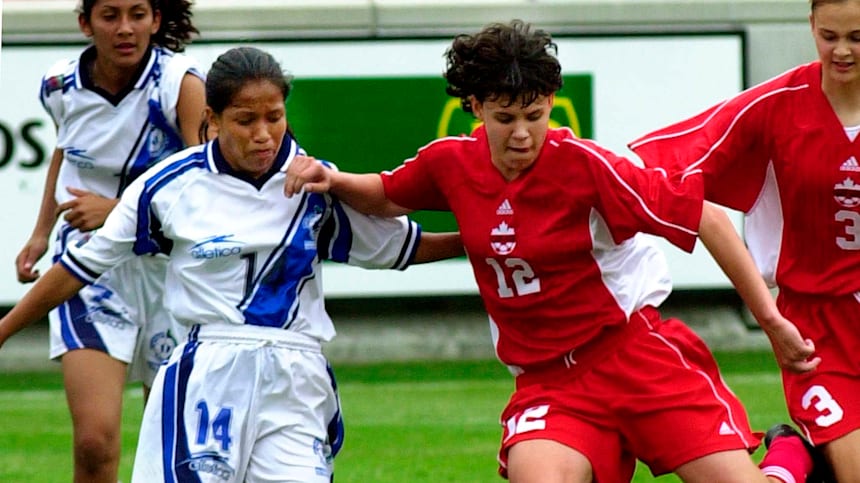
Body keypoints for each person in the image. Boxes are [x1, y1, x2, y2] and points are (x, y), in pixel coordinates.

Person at [284, 19, 823, 483]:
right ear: (475, 107)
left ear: (551, 103)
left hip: (634, 357)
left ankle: (789, 456)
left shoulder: (588, 167)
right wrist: (330, 180)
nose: (522, 134)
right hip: (548, 383)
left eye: (535, 115)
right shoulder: (450, 163)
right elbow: (386, 194)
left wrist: (770, 319)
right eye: (505, 118)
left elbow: (703, 215)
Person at [0, 45, 463, 482]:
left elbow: (403, 247)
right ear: (213, 120)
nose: (263, 134)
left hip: (296, 376)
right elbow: (81, 267)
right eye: (245, 120)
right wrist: (5, 329)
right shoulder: (169, 185)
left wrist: (484, 240)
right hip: (208, 372)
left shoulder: (316, 183)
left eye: (274, 117)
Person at [629, 0, 860, 480]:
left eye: (857, 38)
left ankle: (801, 463)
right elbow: (664, 170)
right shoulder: (774, 106)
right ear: (812, 25)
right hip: (819, 330)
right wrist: (770, 317)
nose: (841, 51)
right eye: (829, 36)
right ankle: (801, 455)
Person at [12, 0, 206, 481]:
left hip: (170, 273)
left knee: (172, 444)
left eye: (138, 14)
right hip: (92, 272)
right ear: (85, 23)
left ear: (156, 20)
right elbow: (66, 153)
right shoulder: (59, 84)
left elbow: (204, 188)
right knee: (94, 442)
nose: (125, 28)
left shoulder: (180, 84)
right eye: (110, 15)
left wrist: (117, 212)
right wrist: (40, 233)